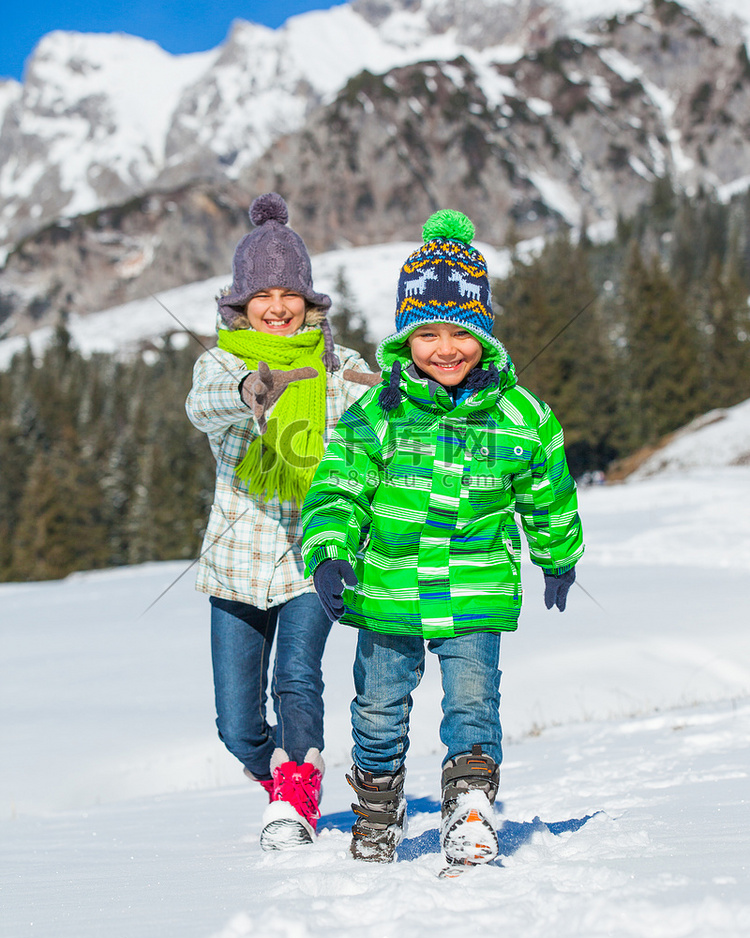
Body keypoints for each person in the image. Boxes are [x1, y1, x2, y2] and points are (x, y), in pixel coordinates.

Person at [300, 209, 584, 867]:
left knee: (474, 703)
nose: (445, 347)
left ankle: (470, 813)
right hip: (388, 586)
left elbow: (547, 491)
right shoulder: (377, 413)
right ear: (405, 337)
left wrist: (558, 555)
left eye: (461, 331)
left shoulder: (522, 418)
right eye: (427, 332)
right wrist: (330, 549)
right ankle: (377, 811)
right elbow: (338, 486)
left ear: (485, 334)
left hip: (475, 584)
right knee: (376, 709)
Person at [185, 192, 376, 851]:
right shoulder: (223, 364)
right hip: (235, 568)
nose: (275, 305)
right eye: (260, 293)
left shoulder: (334, 362)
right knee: (236, 724)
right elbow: (203, 403)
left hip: (311, 555)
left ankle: (298, 789)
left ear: (307, 301)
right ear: (240, 304)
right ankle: (279, 782)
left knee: (297, 674)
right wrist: (249, 391)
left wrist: (385, 391)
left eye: (287, 292)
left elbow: (369, 394)